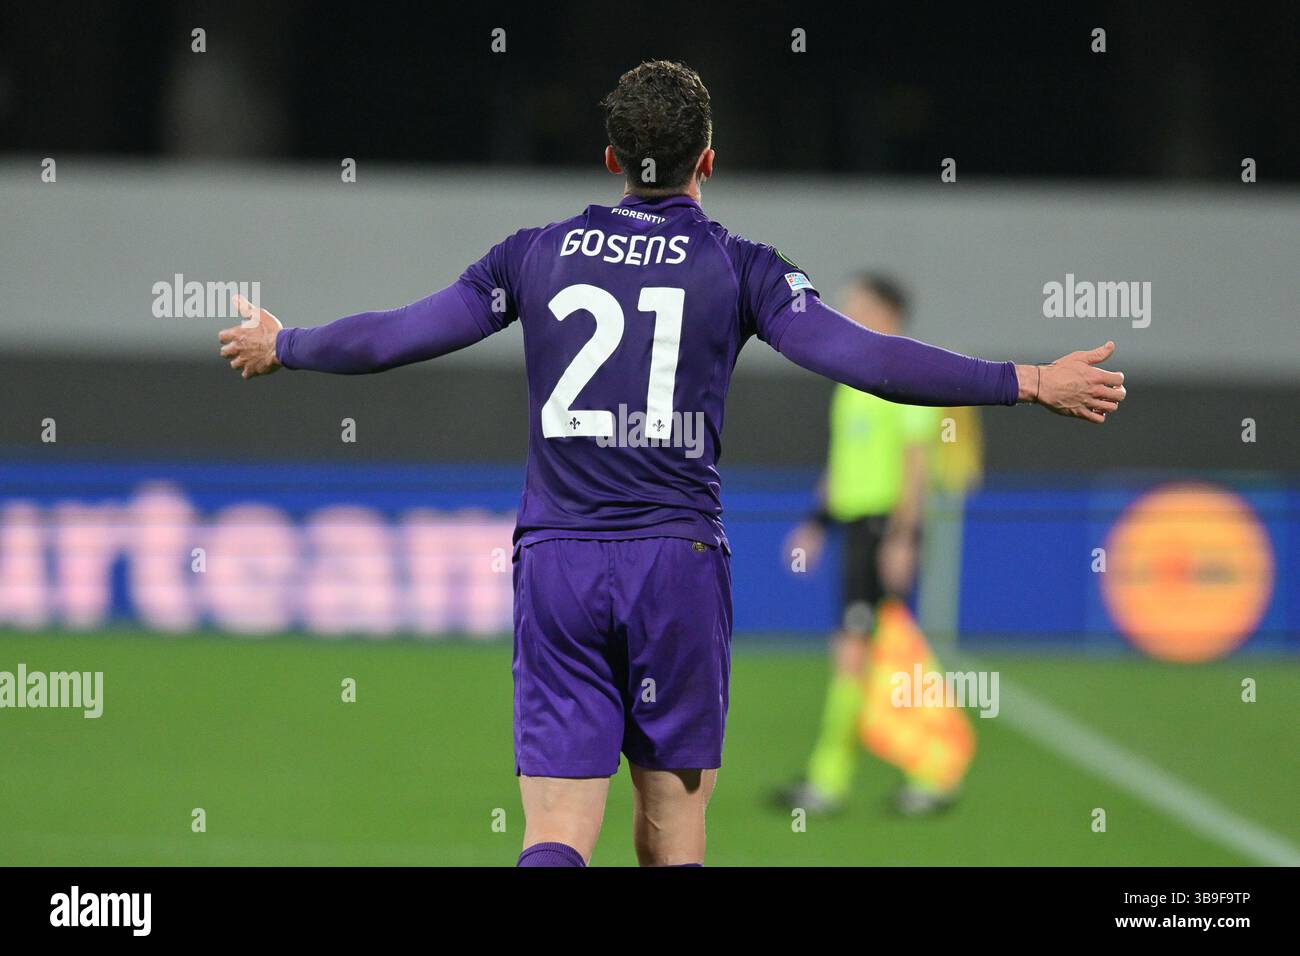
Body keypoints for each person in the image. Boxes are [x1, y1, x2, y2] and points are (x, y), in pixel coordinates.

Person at [218, 60, 1127, 866]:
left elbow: (396, 337)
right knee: (674, 835)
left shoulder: (534, 254)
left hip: (559, 562)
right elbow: (868, 361)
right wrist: (1026, 379)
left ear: (612, 160)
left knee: (557, 832)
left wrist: (287, 343)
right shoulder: (741, 267)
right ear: (708, 160)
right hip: (676, 569)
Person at [780, 274, 979, 817]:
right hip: (854, 529)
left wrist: (903, 538)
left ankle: (855, 777)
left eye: (856, 305)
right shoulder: (853, 380)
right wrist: (816, 524)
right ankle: (907, 772)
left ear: (886, 312)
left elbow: (918, 466)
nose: (844, 313)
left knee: (865, 650)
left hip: (882, 530)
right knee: (870, 649)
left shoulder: (907, 370)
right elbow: (842, 465)